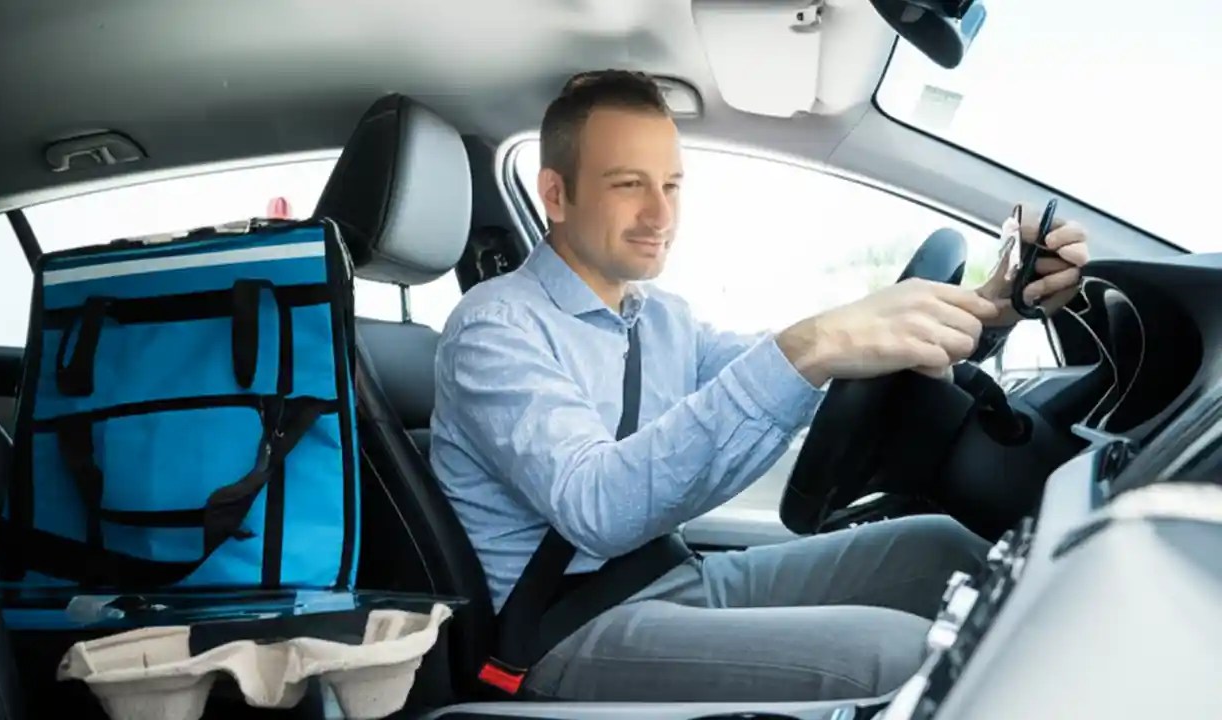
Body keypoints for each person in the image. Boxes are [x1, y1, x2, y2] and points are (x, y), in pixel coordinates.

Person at [429, 70, 1090, 703]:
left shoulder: (660, 317)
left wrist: (986, 310)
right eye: (628, 184)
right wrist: (814, 345)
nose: (660, 213)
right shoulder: (494, 326)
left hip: (672, 576)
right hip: (562, 633)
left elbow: (780, 378)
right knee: (903, 653)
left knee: (943, 550)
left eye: (673, 185)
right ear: (555, 193)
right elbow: (598, 507)